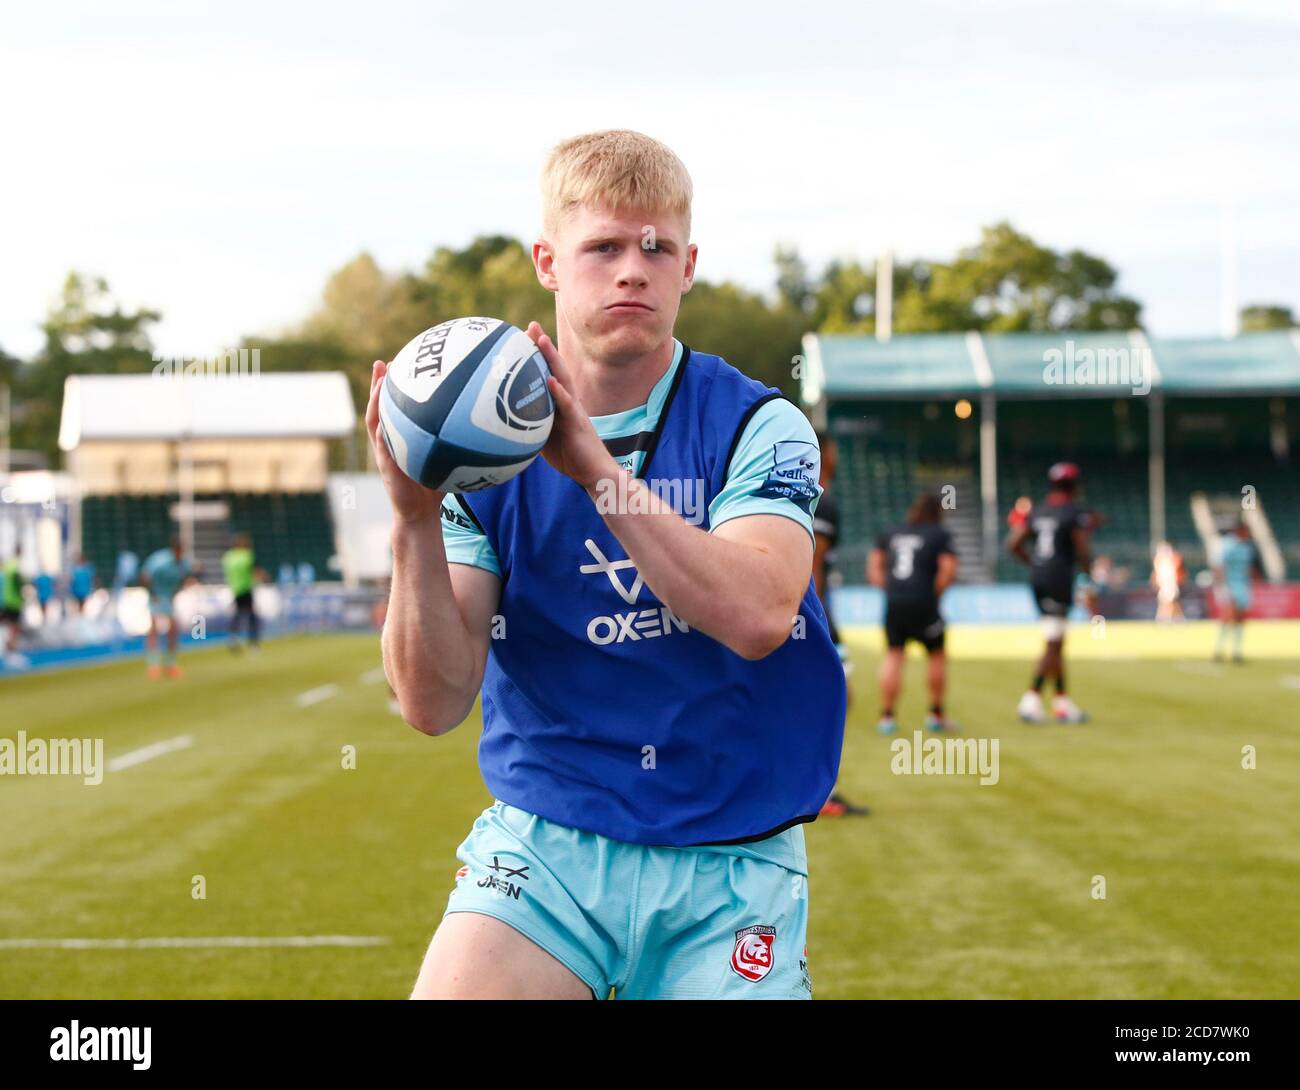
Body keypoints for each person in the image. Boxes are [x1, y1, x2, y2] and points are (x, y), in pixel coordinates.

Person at [376, 129, 844, 1000]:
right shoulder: (481, 457)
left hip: (729, 853)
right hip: (547, 846)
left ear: (688, 265)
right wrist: (411, 523)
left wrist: (595, 470)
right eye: (604, 247)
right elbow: (432, 702)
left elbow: (757, 617)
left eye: (656, 247)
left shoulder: (759, 423)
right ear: (549, 262)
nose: (633, 269)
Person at [1007, 462, 1095, 724]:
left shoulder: (1039, 511)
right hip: (1058, 578)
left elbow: (1013, 543)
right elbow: (1081, 550)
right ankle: (1031, 699)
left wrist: (1034, 563)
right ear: (1074, 485)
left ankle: (1061, 702)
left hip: (1039, 578)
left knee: (1057, 640)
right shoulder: (1074, 513)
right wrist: (1089, 578)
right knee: (1053, 642)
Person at [811, 430, 869, 818]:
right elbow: (811, 564)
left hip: (800, 614)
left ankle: (815, 788)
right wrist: (815, 624)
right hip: (811, 617)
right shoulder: (820, 500)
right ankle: (819, 792)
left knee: (828, 699)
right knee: (834, 697)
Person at [868, 493, 959, 734]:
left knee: (894, 655)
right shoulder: (940, 534)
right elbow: (949, 568)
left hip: (895, 602)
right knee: (936, 654)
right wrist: (935, 593)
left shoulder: (892, 531)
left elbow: (874, 565)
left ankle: (886, 717)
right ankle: (936, 714)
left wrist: (890, 589)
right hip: (924, 602)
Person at [140, 537, 197, 679]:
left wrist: (175, 592)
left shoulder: (183, 563)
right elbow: (145, 576)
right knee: (154, 627)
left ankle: (170, 663)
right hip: (156, 595)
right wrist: (152, 594)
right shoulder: (159, 561)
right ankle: (153, 664)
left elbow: (185, 577)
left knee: (173, 629)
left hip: (168, 597)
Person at [1213, 519, 1262, 663]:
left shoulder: (1247, 547)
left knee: (1241, 619)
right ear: (1240, 530)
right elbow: (1219, 566)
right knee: (1228, 616)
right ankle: (1219, 650)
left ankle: (1237, 651)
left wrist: (1255, 579)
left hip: (1243, 585)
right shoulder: (1226, 544)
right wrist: (1222, 586)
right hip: (1229, 585)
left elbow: (1248, 567)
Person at [222, 533, 263, 652]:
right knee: (251, 616)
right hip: (246, 588)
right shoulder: (247, 555)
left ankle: (233, 637)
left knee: (238, 614)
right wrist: (260, 578)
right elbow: (254, 570)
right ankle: (253, 643)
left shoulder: (229, 556)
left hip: (234, 588)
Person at [1, 545, 25, 664]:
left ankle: (8, 650)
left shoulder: (7, 567)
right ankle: (11, 652)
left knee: (9, 627)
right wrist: (22, 596)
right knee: (15, 628)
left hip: (6, 601)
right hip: (14, 602)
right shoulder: (14, 565)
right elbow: (17, 583)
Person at [1151, 541, 1185, 622]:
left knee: (1170, 602)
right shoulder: (1159, 562)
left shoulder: (1172, 560)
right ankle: (1167, 617)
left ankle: (1168, 618)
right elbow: (1157, 574)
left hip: (1170, 584)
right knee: (1166, 602)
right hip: (1164, 584)